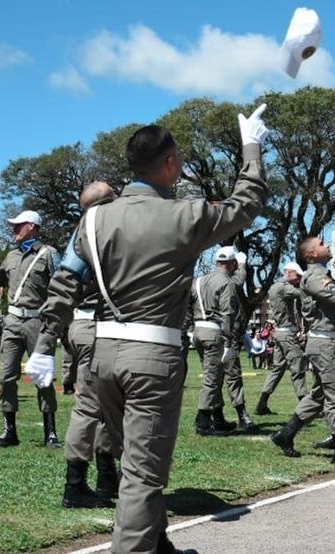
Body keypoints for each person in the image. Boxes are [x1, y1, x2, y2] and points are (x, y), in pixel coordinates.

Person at [29, 108, 268, 553]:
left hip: (102, 355)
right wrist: (251, 146)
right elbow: (247, 204)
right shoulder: (186, 216)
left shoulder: (94, 220)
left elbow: (63, 284)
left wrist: (44, 345)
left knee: (134, 459)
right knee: (142, 473)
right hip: (151, 358)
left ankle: (157, 544)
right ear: (172, 162)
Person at [270, 237, 335, 471]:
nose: (326, 244)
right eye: (320, 243)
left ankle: (286, 434)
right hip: (326, 343)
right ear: (310, 254)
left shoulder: (321, 274)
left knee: (320, 395)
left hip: (325, 342)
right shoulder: (316, 276)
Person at [0, 210, 62, 448]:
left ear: (31, 226)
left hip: (37, 321)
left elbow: (61, 288)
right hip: (12, 322)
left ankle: (50, 432)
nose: (13, 229)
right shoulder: (10, 256)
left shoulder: (49, 254)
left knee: (43, 377)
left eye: (18, 226)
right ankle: (9, 431)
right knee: (7, 376)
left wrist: (55, 322)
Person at [58, 181, 119, 510]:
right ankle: (80, 482)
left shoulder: (80, 232)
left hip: (79, 323)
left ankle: (104, 476)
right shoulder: (108, 228)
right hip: (97, 324)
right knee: (94, 406)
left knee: (97, 404)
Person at [192, 246, 256, 435]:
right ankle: (203, 421)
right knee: (215, 378)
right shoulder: (226, 282)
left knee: (213, 374)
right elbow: (227, 312)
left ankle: (217, 417)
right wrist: (229, 338)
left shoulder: (199, 280)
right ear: (232, 263)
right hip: (216, 333)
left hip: (198, 331)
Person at [257, 261, 309, 414]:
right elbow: (302, 293)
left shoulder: (274, 286)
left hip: (279, 332)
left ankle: (262, 403)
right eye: (298, 276)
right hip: (287, 333)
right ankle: (305, 406)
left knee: (277, 369)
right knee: (298, 366)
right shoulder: (284, 287)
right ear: (290, 273)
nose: (299, 279)